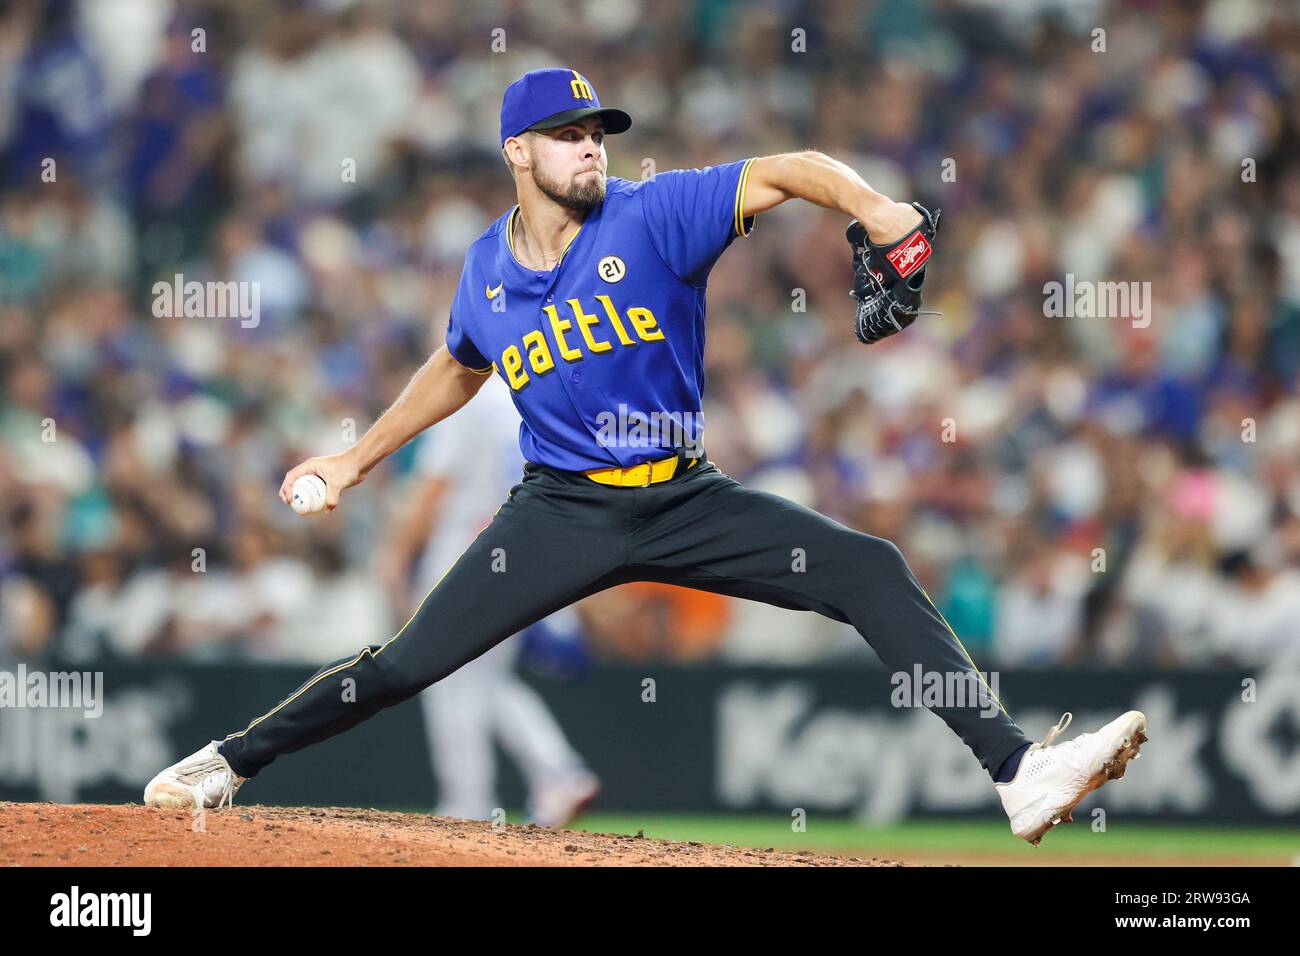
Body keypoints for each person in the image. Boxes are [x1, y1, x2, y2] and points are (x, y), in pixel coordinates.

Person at [144, 68, 1148, 845]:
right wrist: (356, 458)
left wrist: (875, 210)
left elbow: (788, 167)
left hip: (684, 497)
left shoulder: (652, 213)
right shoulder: (485, 269)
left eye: (596, 134)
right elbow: (458, 366)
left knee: (865, 566)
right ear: (516, 153)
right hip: (559, 511)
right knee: (407, 661)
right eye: (568, 137)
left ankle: (1018, 772)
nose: (590, 150)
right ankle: (225, 762)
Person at [378, 374, 599, 827]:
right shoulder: (535, 390)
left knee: (443, 676)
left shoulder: (468, 390)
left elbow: (436, 484)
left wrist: (396, 557)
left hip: (466, 544)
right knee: (485, 680)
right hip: (523, 543)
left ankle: (468, 801)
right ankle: (558, 772)